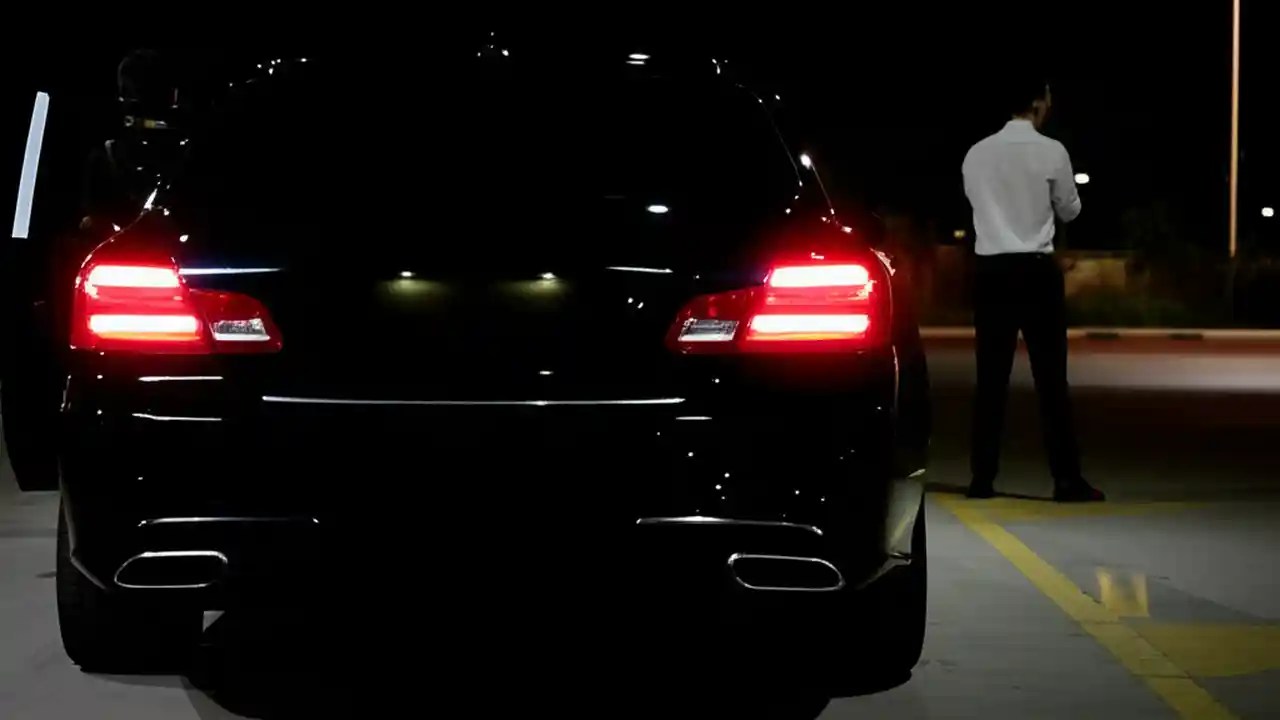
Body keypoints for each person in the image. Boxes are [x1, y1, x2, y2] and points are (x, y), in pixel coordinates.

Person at [961, 74, 1104, 503]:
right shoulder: (1051, 151)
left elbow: (976, 205)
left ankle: (981, 478)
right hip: (1037, 272)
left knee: (990, 379)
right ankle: (1065, 479)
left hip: (991, 273)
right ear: (1040, 103)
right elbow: (1071, 210)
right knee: (1050, 382)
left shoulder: (976, 154)